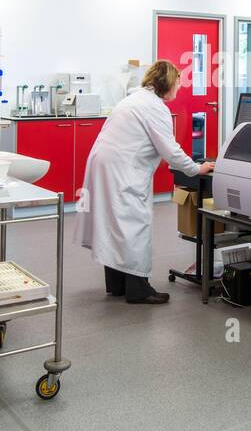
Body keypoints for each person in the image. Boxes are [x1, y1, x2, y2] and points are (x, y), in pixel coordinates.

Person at [76, 60, 215, 304]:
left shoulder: (135, 98)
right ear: (168, 83)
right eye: (178, 84)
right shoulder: (154, 107)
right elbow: (170, 150)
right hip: (121, 169)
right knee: (133, 223)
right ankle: (138, 289)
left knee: (114, 222)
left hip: (104, 163)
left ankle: (118, 284)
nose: (179, 88)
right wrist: (196, 168)